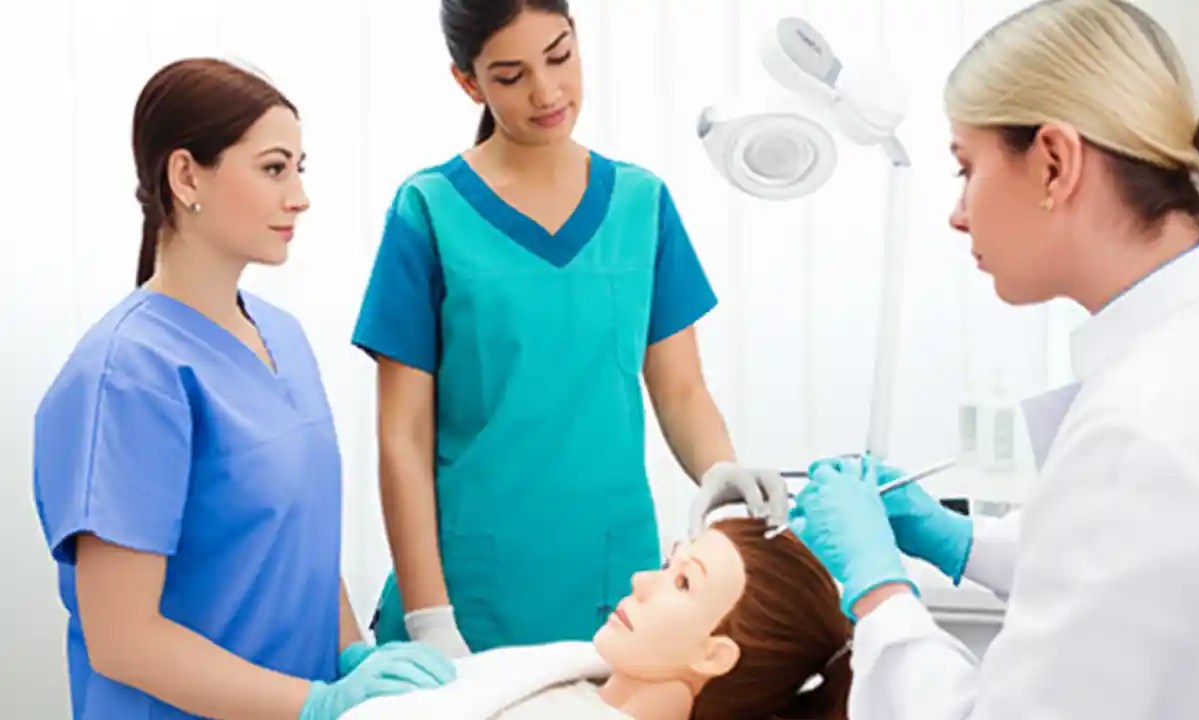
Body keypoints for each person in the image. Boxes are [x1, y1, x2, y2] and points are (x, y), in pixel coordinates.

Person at [789, 0, 1199, 717]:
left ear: (1054, 163)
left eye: (966, 167)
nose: (958, 213)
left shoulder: (1148, 425)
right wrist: (962, 542)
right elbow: (1137, 580)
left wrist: (878, 593)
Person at [351, 0, 786, 657]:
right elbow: (401, 437)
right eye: (511, 75)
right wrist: (429, 617)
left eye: (559, 57)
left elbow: (680, 391)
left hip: (614, 586)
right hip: (473, 589)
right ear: (469, 83)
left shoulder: (641, 203)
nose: (547, 91)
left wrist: (718, 467)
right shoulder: (429, 210)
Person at [31, 58, 455, 720]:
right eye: (274, 168)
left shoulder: (282, 337)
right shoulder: (129, 375)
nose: (300, 196)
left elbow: (298, 545)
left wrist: (351, 654)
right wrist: (316, 702)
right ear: (186, 176)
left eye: (299, 169)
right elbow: (123, 640)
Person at [341, 518, 853, 720]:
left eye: (682, 582)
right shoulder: (568, 680)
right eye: (667, 562)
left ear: (714, 655)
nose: (641, 581)